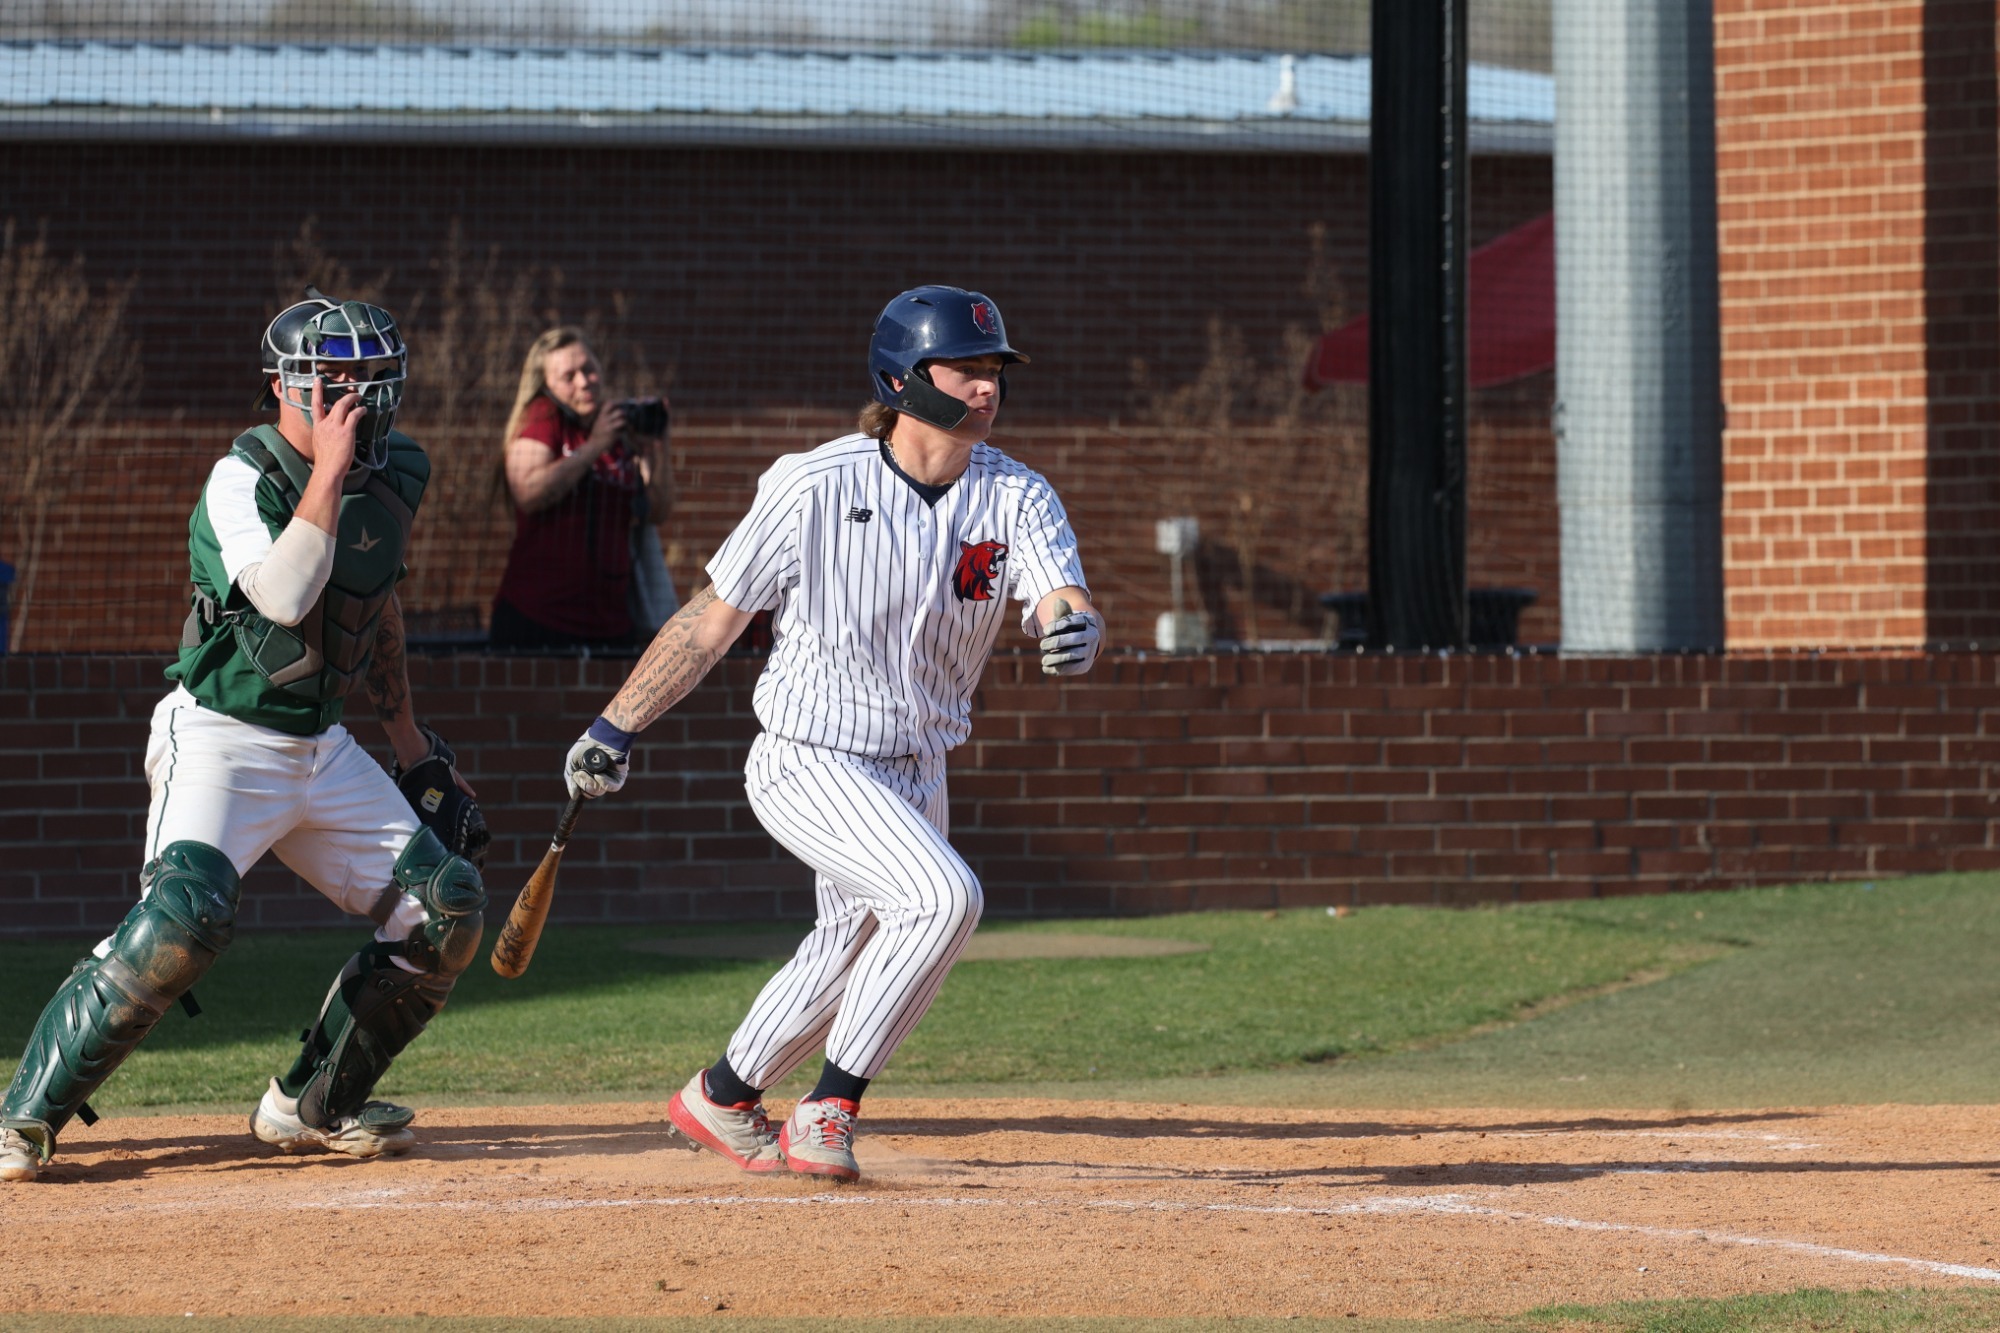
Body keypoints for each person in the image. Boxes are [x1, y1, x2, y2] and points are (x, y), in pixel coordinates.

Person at [559, 286, 1105, 1182]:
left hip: (918, 764)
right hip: (809, 754)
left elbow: (1061, 597)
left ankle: (724, 1094)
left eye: (993, 369)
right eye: (964, 368)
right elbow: (710, 621)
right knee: (943, 899)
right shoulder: (812, 483)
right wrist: (614, 725)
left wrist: (1074, 629)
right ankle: (829, 1106)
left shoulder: (1016, 493)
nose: (984, 386)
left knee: (849, 949)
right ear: (900, 378)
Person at [0, 291, 491, 1182]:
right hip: (221, 734)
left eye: (372, 379)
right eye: (333, 380)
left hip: (322, 744)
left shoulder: (399, 472)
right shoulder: (242, 477)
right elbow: (286, 596)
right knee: (186, 919)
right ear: (282, 388)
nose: (358, 399)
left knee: (447, 909)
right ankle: (23, 1115)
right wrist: (331, 474)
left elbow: (373, 607)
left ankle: (311, 1103)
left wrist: (412, 742)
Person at [489, 327, 677, 652]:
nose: (584, 381)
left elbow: (657, 511)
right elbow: (528, 493)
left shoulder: (617, 425)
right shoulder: (542, 420)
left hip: (611, 625)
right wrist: (595, 446)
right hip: (540, 621)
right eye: (569, 376)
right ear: (546, 385)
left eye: (589, 369)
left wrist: (656, 450)